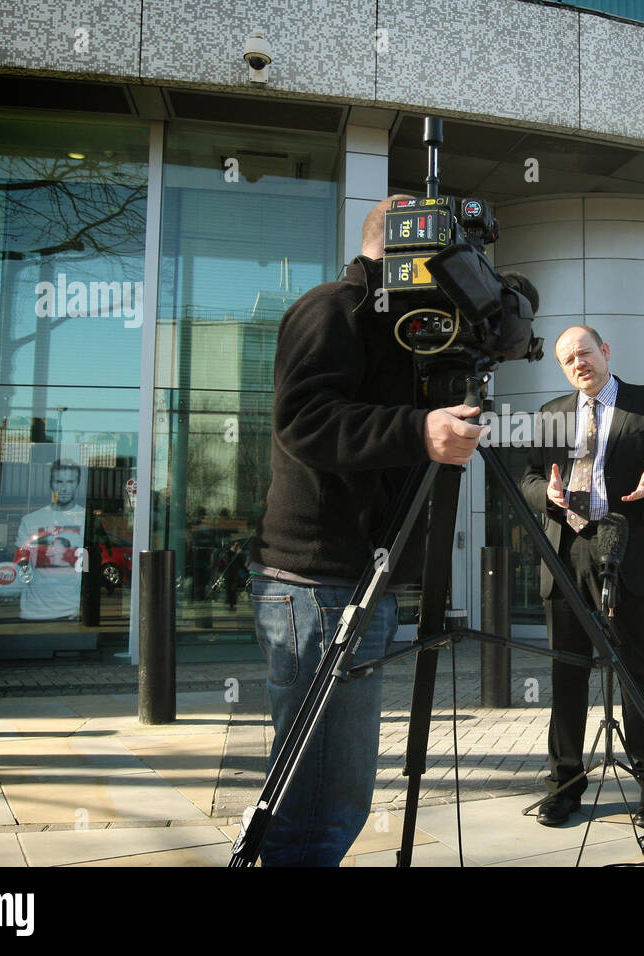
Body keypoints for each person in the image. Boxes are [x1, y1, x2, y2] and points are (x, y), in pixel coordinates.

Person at [248, 195, 485, 866]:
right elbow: (304, 420)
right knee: (322, 797)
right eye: (444, 251)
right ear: (406, 245)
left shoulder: (403, 329)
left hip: (355, 581)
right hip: (320, 584)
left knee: (332, 789)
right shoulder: (334, 308)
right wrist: (418, 429)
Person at [521, 325, 644, 828]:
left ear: (605, 350)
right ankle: (566, 785)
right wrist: (547, 497)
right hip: (567, 551)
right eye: (566, 360)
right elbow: (531, 478)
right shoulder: (552, 414)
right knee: (567, 673)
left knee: (635, 671)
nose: (577, 363)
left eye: (584, 352)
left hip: (626, 547)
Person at [14, 459, 86, 621]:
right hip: (34, 611)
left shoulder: (86, 520)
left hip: (73, 611)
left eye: (70, 481)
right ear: (50, 483)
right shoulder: (30, 520)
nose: (64, 487)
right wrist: (28, 581)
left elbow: (88, 567)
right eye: (59, 481)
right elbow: (21, 561)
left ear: (77, 484)